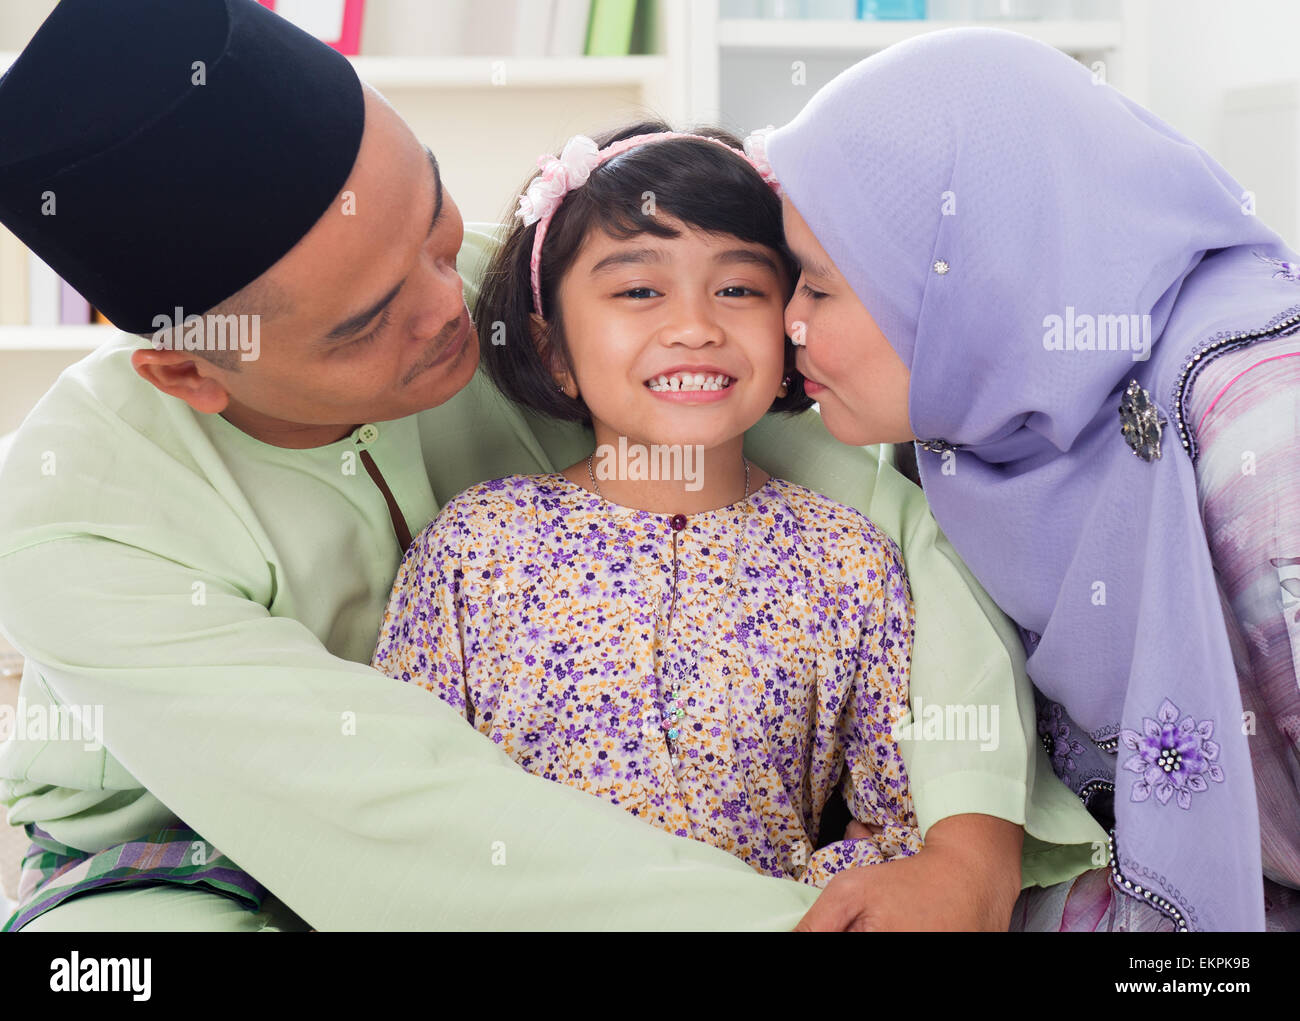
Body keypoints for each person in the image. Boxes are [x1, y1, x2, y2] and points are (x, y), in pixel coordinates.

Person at [0, 1, 1096, 931]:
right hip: (188, 849)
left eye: (434, 224)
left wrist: (968, 841)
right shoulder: (74, 521)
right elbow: (399, 821)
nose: (450, 314)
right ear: (196, 375)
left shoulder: (539, 296)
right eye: (368, 319)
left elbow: (896, 524)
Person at [764, 26, 1300, 930]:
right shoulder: (967, 448)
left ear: (967, 274)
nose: (788, 322)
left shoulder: (1262, 436)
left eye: (818, 287)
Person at [373, 122, 927, 885]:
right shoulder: (472, 544)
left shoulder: (851, 561)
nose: (696, 327)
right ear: (554, 350)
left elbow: (898, 824)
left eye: (738, 288)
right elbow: (404, 796)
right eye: (638, 290)